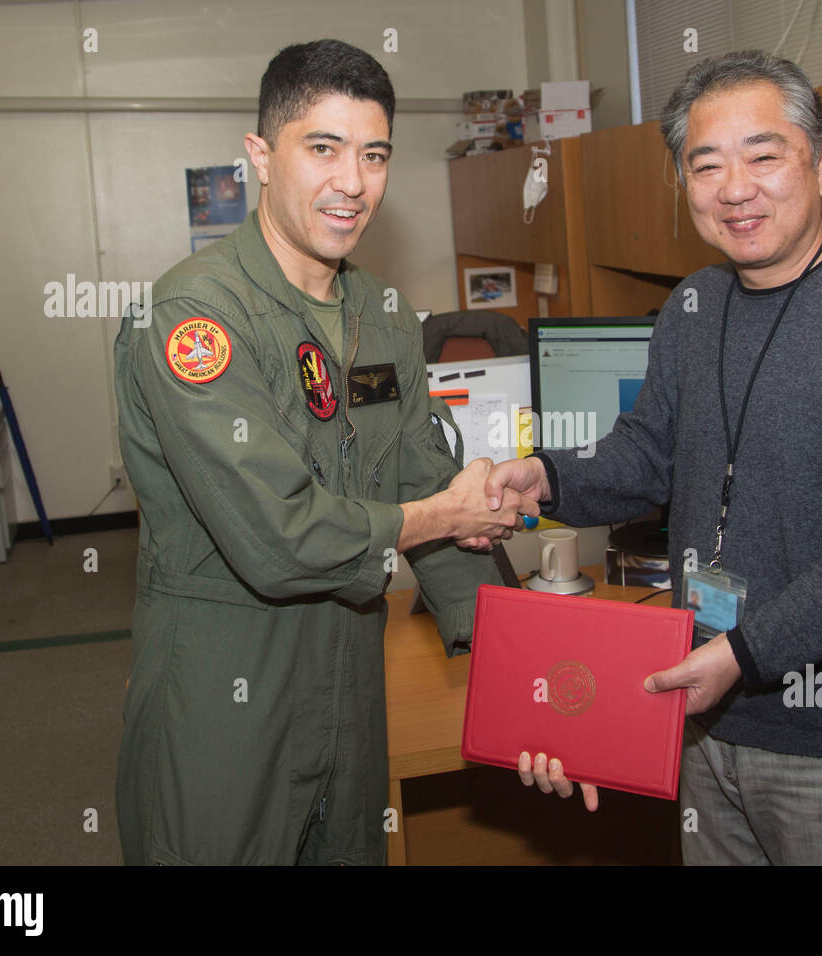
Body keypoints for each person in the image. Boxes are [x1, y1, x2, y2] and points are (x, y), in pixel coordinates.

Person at [485, 49, 822, 864]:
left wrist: (747, 653)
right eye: (706, 166)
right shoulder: (694, 306)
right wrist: (552, 477)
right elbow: (649, 452)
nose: (735, 188)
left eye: (764, 156)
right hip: (705, 718)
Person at [113, 38, 535, 865]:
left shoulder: (380, 312)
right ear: (261, 157)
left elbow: (428, 480)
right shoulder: (194, 315)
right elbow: (278, 539)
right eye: (323, 148)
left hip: (348, 676)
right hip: (227, 688)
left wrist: (530, 674)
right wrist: (437, 512)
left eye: (373, 155)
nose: (353, 182)